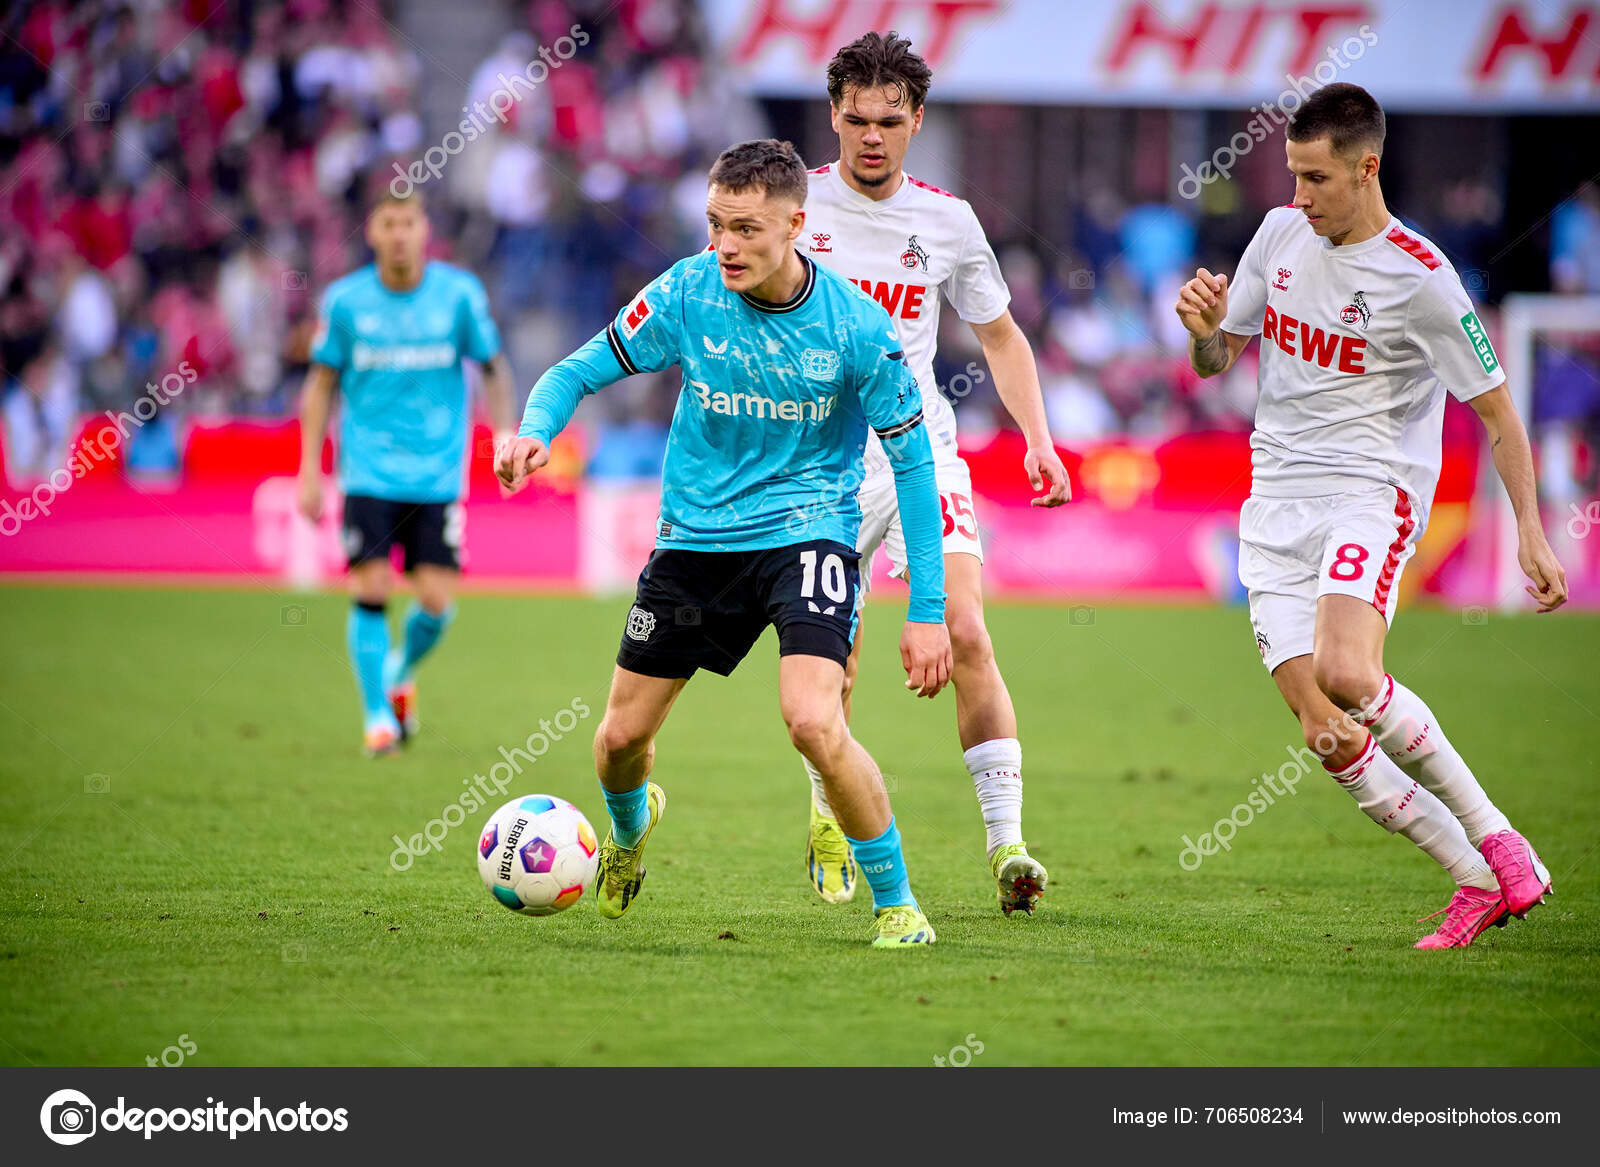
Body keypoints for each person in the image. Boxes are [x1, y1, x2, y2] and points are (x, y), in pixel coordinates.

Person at [496, 139, 954, 948]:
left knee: (813, 721)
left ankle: (898, 903)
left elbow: (916, 467)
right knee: (618, 742)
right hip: (695, 543)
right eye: (715, 224)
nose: (726, 246)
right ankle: (630, 836)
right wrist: (535, 431)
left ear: (796, 225)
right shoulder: (687, 291)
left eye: (744, 228)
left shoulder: (856, 327)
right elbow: (573, 372)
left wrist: (927, 608)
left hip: (806, 534)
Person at [1176, 83, 1568, 949]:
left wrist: (1533, 533)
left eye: (1316, 179)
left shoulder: (1422, 278)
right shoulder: (1280, 235)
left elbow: (1501, 413)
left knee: (1351, 672)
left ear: (1367, 168)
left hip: (1370, 490)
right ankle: (1471, 878)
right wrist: (1205, 330)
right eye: (1293, 175)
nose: (1299, 196)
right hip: (1274, 501)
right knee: (1325, 730)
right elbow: (1217, 361)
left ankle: (1504, 843)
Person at [797, 32, 1070, 914]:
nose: (870, 136)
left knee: (967, 632)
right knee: (828, 665)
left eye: (888, 120)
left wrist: (1037, 437)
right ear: (833, 116)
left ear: (917, 119)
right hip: (818, 464)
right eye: (854, 119)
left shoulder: (948, 220)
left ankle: (1008, 847)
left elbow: (999, 334)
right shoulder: (793, 205)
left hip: (920, 448)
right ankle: (828, 813)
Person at [297, 189, 515, 756]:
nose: (398, 234)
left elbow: (493, 367)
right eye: (388, 223)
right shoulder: (346, 303)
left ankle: (398, 670)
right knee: (369, 588)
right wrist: (308, 470)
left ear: (424, 230)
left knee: (437, 602)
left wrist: (507, 436)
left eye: (409, 222)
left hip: (439, 476)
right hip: (367, 472)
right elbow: (320, 384)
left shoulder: (458, 296)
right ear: (371, 231)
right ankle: (377, 719)